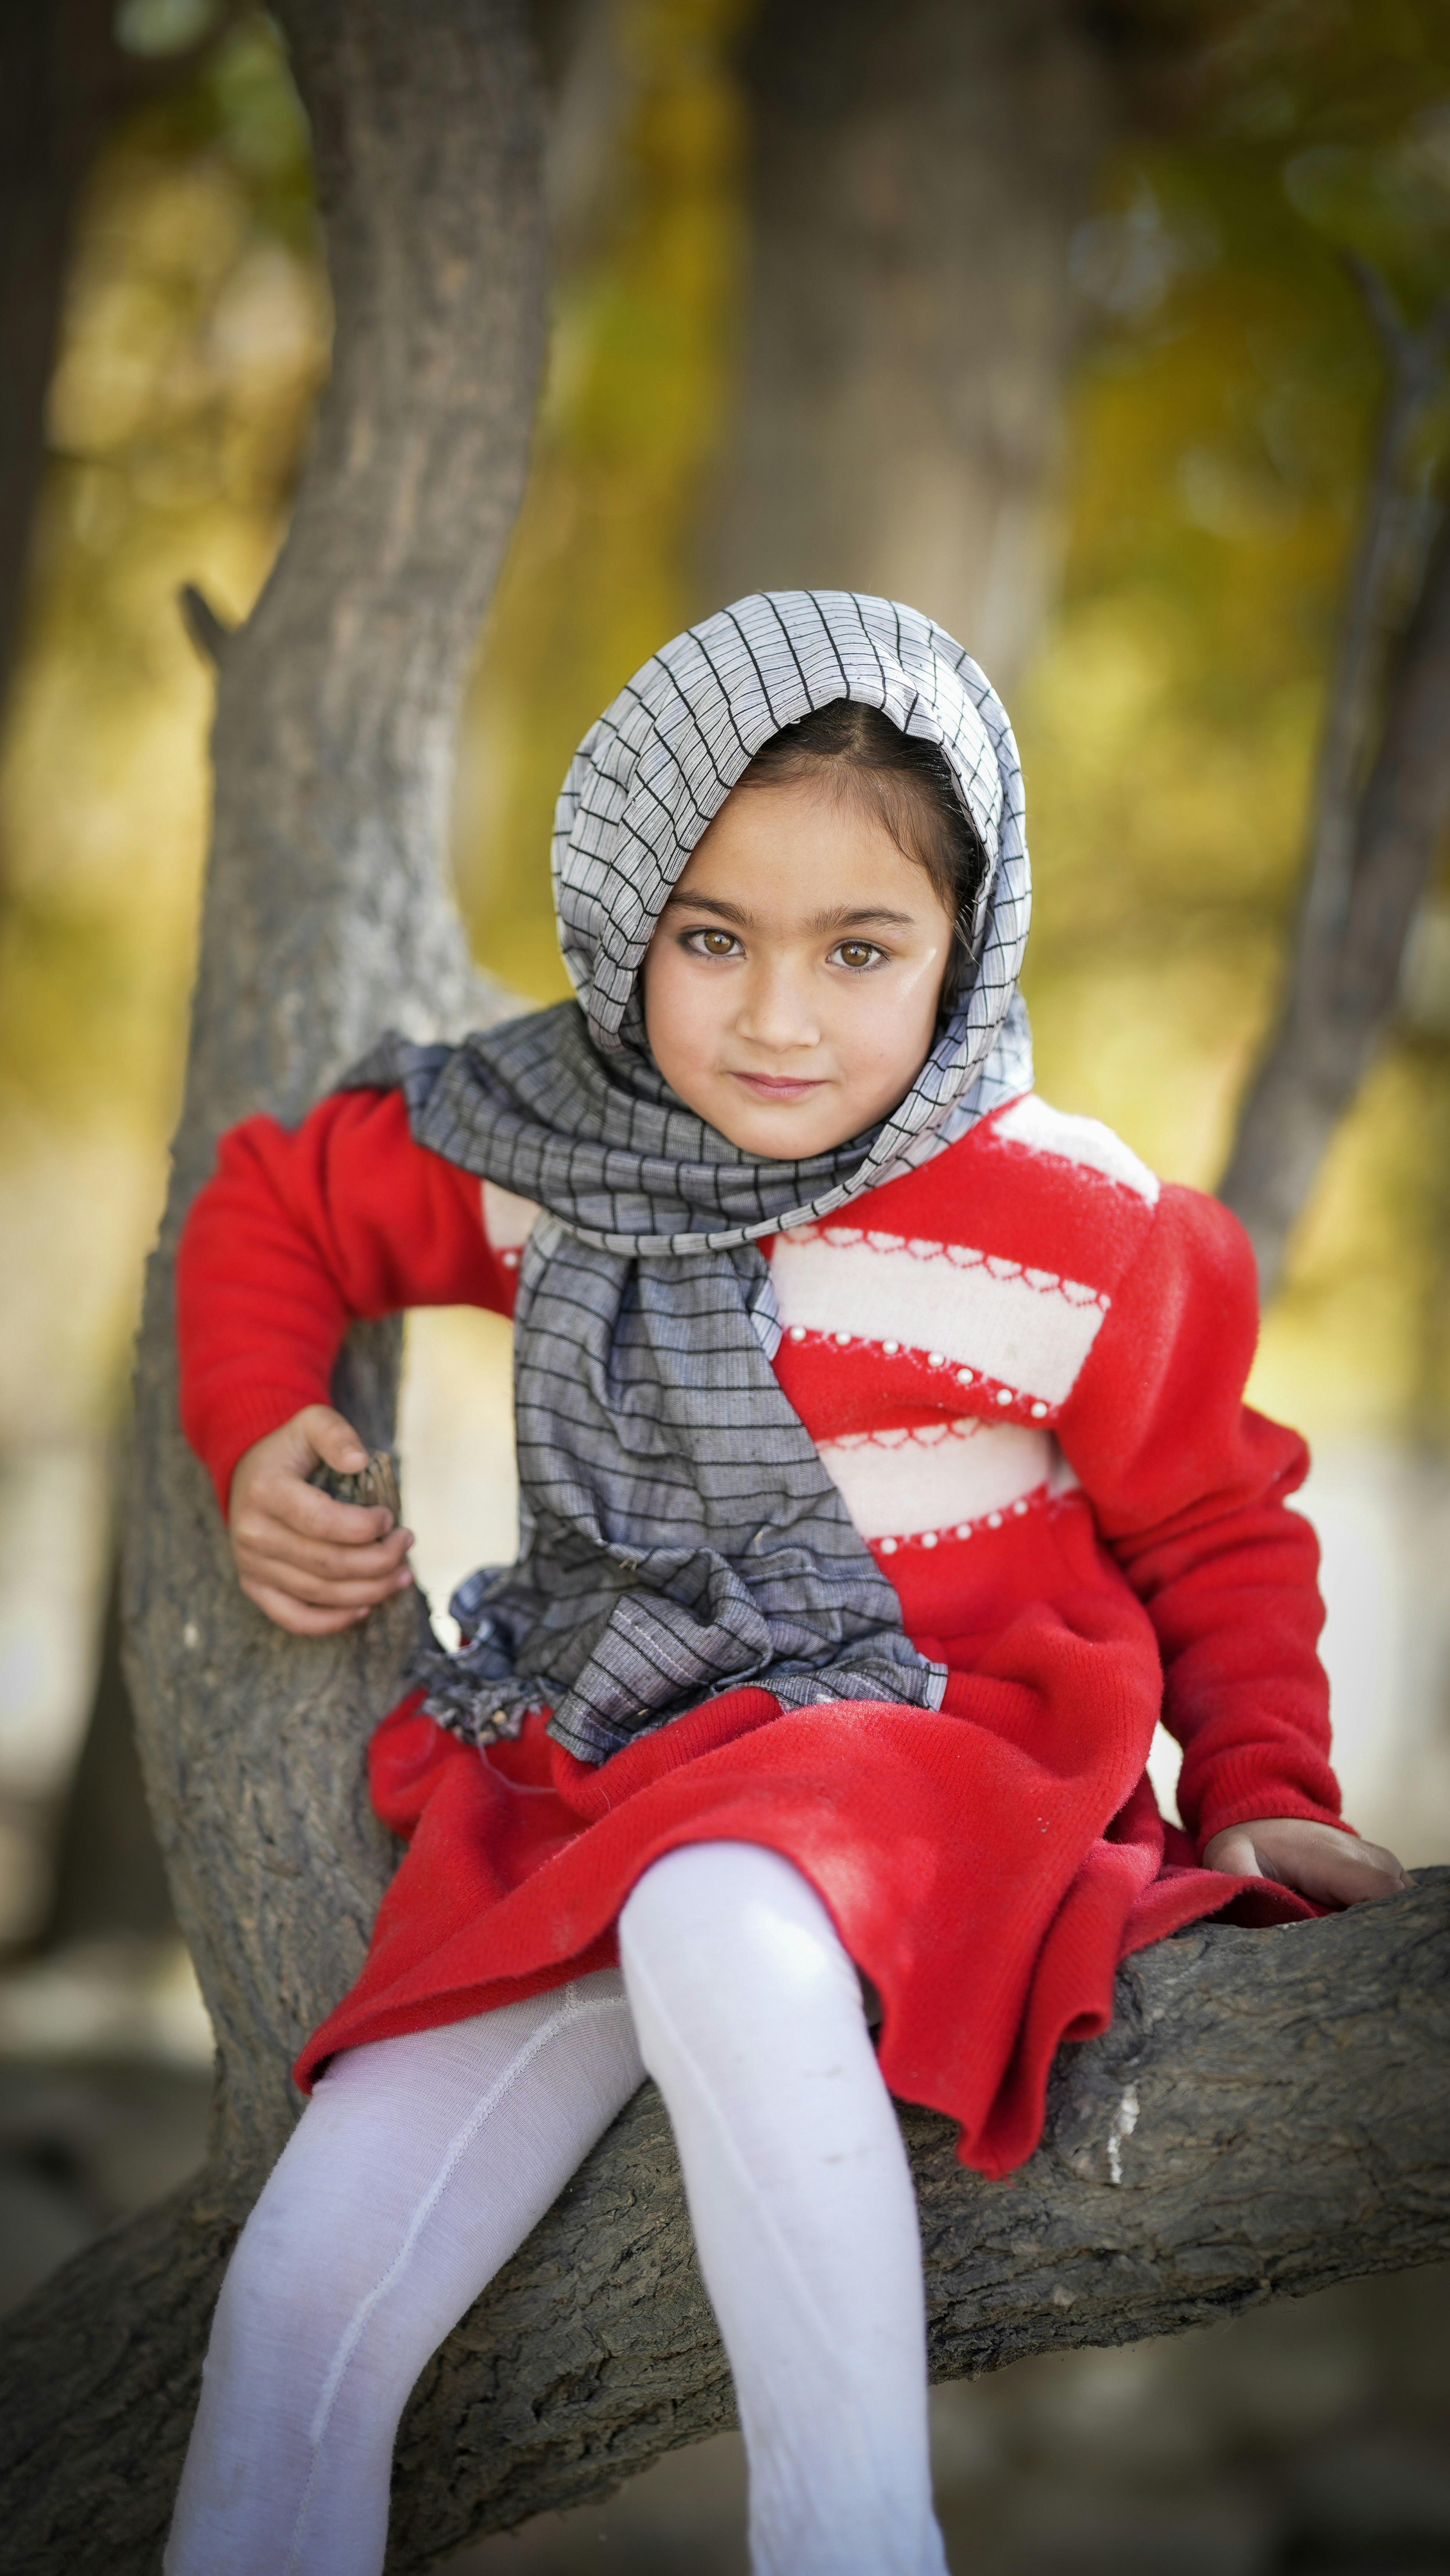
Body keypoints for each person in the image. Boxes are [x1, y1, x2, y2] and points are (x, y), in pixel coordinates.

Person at [164, 591, 1407, 2576]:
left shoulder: (1075, 1227)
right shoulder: (561, 1146)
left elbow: (1212, 1525)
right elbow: (275, 1197)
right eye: (710, 938)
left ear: (964, 946)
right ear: (624, 918)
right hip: (598, 1758)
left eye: (860, 951)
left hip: (931, 1759)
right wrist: (253, 1429)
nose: (774, 1018)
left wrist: (1264, 1780)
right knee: (305, 2298)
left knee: (727, 1916)